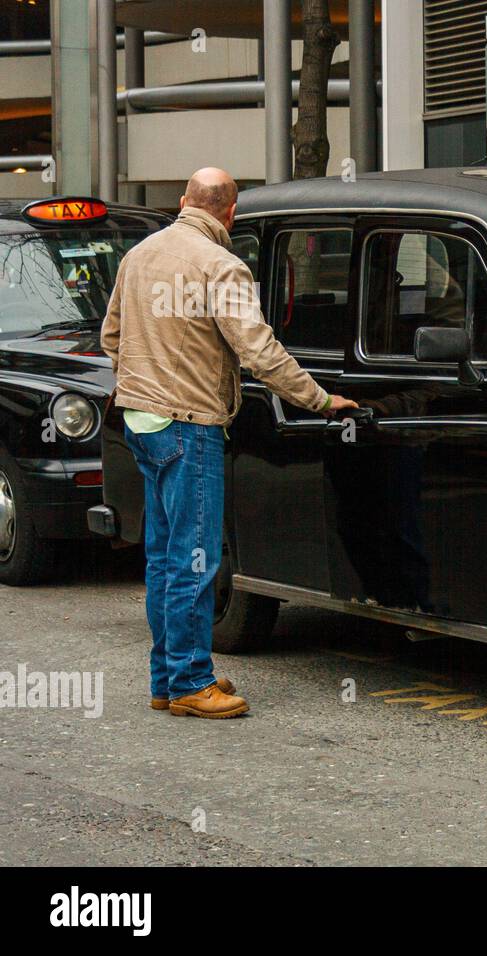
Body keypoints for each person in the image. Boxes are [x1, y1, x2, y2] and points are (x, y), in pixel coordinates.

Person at [101, 167, 358, 718]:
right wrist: (320, 400)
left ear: (182, 199)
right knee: (196, 560)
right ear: (230, 213)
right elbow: (260, 352)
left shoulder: (140, 255)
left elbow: (111, 336)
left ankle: (167, 678)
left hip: (141, 423)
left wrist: (148, 380)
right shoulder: (222, 266)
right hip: (190, 426)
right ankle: (194, 683)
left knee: (164, 559)